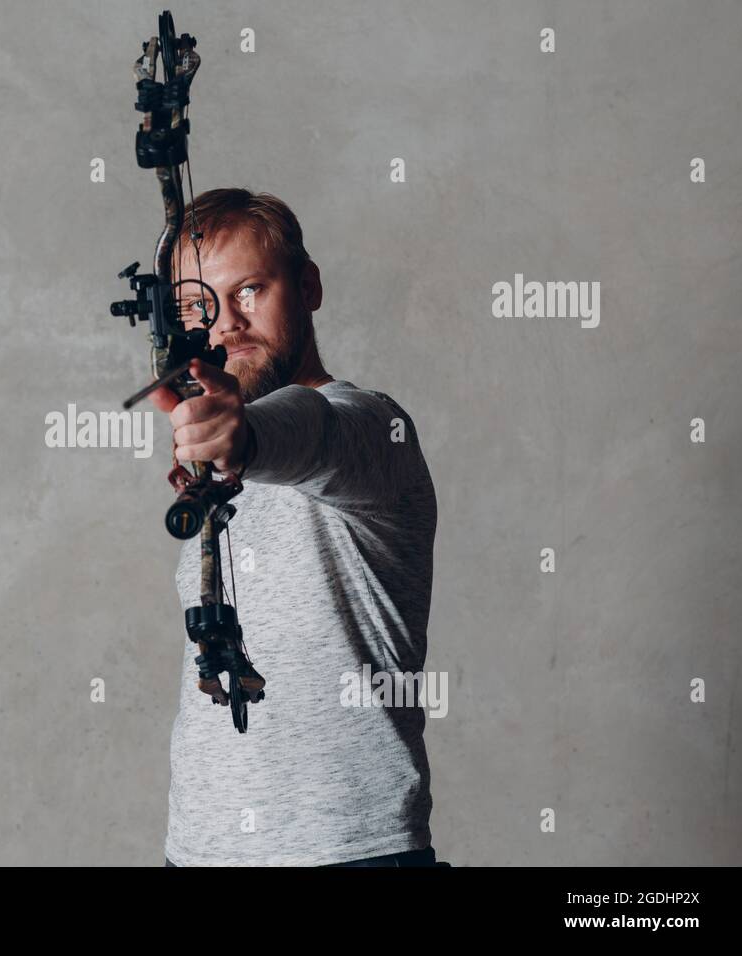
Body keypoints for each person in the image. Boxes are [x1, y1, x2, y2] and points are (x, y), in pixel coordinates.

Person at [151, 188, 448, 867]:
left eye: (250, 289)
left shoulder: (374, 431)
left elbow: (313, 433)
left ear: (308, 286)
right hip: (197, 851)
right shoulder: (213, 467)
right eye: (199, 306)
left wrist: (243, 438)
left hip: (348, 850)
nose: (226, 324)